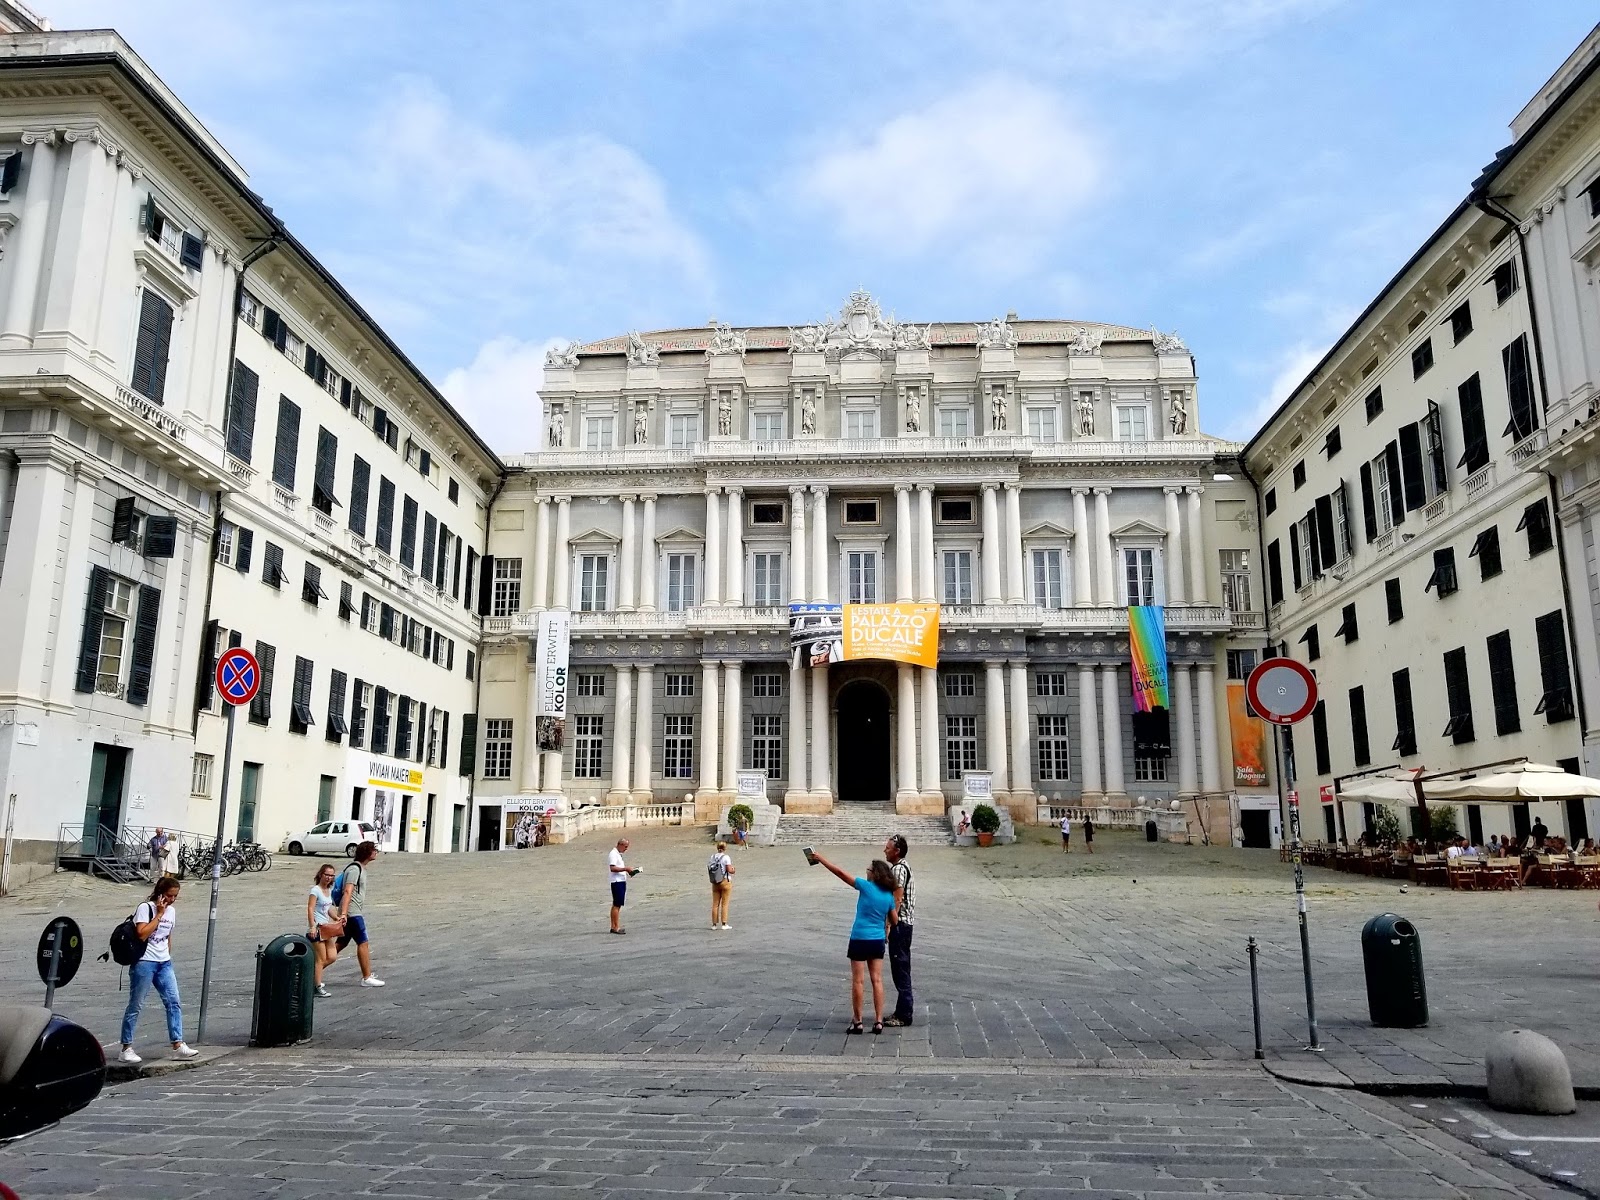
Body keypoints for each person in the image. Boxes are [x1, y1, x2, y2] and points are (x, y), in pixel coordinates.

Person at [808, 850, 897, 1035]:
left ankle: (858, 1022)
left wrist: (821, 859)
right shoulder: (888, 896)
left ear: (875, 873)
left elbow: (840, 873)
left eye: (869, 869)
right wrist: (887, 924)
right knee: (877, 980)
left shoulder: (865, 886)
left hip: (859, 937)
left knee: (858, 981)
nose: (867, 870)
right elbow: (895, 920)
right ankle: (879, 1021)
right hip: (877, 940)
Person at [118, 877, 198, 1064]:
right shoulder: (145, 908)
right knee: (135, 1005)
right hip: (144, 962)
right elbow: (142, 933)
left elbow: (168, 935)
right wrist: (159, 914)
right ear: (160, 893)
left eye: (175, 896)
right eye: (169, 895)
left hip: (164, 963)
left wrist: (167, 953)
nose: (172, 900)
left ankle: (178, 1044)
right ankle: (126, 1047)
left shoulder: (172, 911)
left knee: (173, 1001)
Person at [334, 842, 384, 987]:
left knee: (340, 944)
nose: (376, 852)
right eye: (374, 850)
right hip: (352, 912)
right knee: (363, 942)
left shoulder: (360, 868)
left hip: (350, 912)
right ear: (367, 852)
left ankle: (313, 970)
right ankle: (367, 977)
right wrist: (344, 913)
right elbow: (348, 891)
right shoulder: (355, 869)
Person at [883, 834, 915, 1028]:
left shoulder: (898, 870)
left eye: (887, 848)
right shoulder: (903, 866)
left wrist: (888, 924)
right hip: (904, 924)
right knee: (901, 967)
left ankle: (904, 1014)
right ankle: (901, 1010)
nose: (884, 850)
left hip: (900, 924)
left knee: (900, 968)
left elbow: (897, 898)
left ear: (897, 851)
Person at [306, 863, 344, 997]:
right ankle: (316, 986)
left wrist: (337, 917)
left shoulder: (329, 890)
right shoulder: (315, 890)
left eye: (331, 875)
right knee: (320, 959)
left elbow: (328, 908)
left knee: (332, 957)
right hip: (317, 928)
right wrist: (312, 926)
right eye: (327, 875)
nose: (329, 878)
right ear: (321, 875)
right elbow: (310, 908)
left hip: (327, 928)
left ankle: (309, 976)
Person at [608, 838, 639, 934]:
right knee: (617, 904)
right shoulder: (613, 854)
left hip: (620, 880)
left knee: (617, 904)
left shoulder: (617, 854)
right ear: (620, 845)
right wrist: (626, 869)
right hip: (617, 881)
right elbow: (612, 868)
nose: (626, 849)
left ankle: (614, 925)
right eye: (625, 847)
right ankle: (616, 927)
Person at [708, 841, 735, 930]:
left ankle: (714, 924)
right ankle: (724, 924)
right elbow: (729, 869)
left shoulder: (712, 857)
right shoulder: (726, 857)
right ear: (725, 848)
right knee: (725, 903)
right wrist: (733, 870)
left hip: (715, 882)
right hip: (725, 881)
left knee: (715, 904)